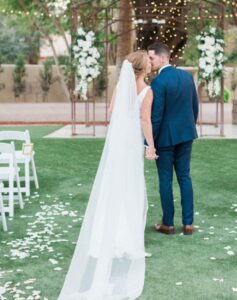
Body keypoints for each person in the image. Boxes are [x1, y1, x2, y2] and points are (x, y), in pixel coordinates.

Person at [58, 50, 156, 300]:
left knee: (113, 185)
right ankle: (127, 239)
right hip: (133, 143)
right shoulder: (147, 91)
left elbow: (113, 110)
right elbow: (146, 120)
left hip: (117, 145)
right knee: (131, 187)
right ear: (144, 69)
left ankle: (107, 235)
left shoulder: (121, 88)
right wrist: (151, 146)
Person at [148, 42, 199, 235]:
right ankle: (188, 224)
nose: (150, 61)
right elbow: (195, 108)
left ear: (163, 57)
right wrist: (187, 128)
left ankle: (168, 224)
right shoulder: (187, 77)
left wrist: (149, 142)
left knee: (165, 180)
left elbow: (157, 116)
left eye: (151, 57)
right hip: (186, 135)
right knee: (185, 177)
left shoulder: (158, 82)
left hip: (165, 139)